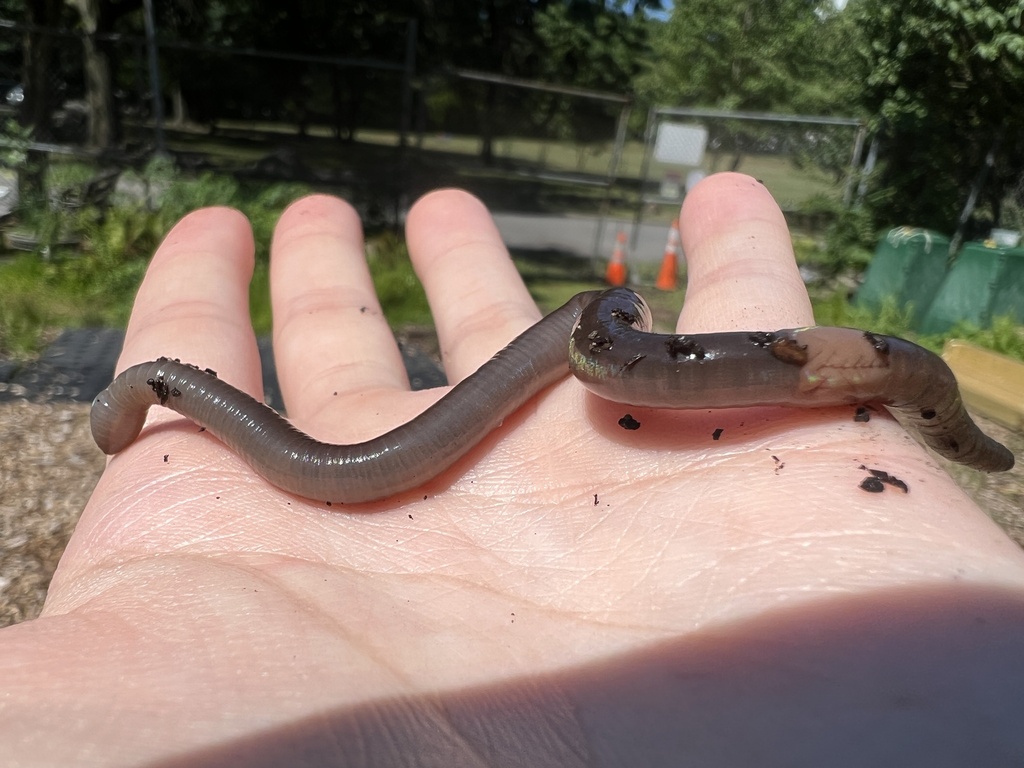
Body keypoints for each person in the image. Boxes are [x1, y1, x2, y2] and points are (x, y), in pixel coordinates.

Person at [1, 173, 1022, 767]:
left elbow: (610, 358)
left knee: (615, 346)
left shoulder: (599, 337)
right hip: (594, 339)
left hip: (608, 337)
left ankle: (957, 427)